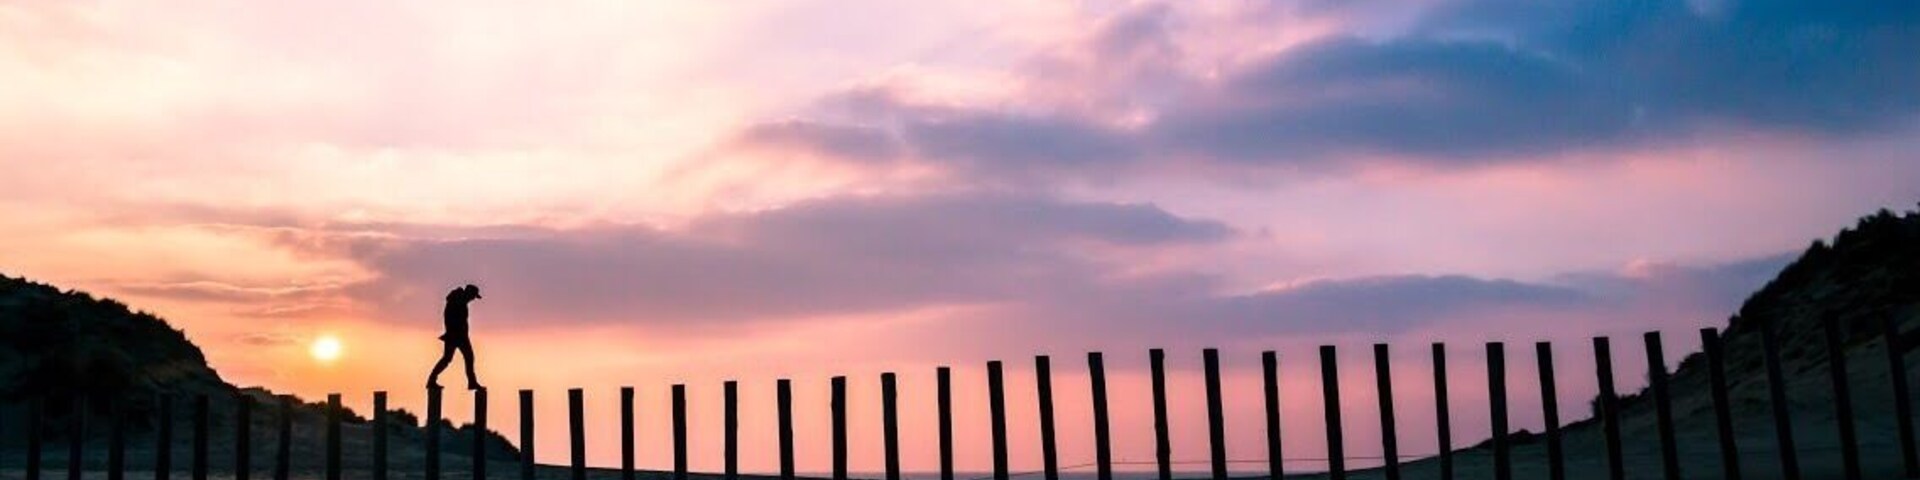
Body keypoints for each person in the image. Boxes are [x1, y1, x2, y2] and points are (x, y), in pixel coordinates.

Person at [427, 284, 484, 390]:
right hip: (456, 336)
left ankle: (471, 382)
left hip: (459, 335)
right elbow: (449, 318)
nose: (473, 299)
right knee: (453, 359)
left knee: (462, 358)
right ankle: (431, 380)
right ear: (469, 293)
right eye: (473, 296)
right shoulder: (457, 301)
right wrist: (452, 333)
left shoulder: (460, 300)